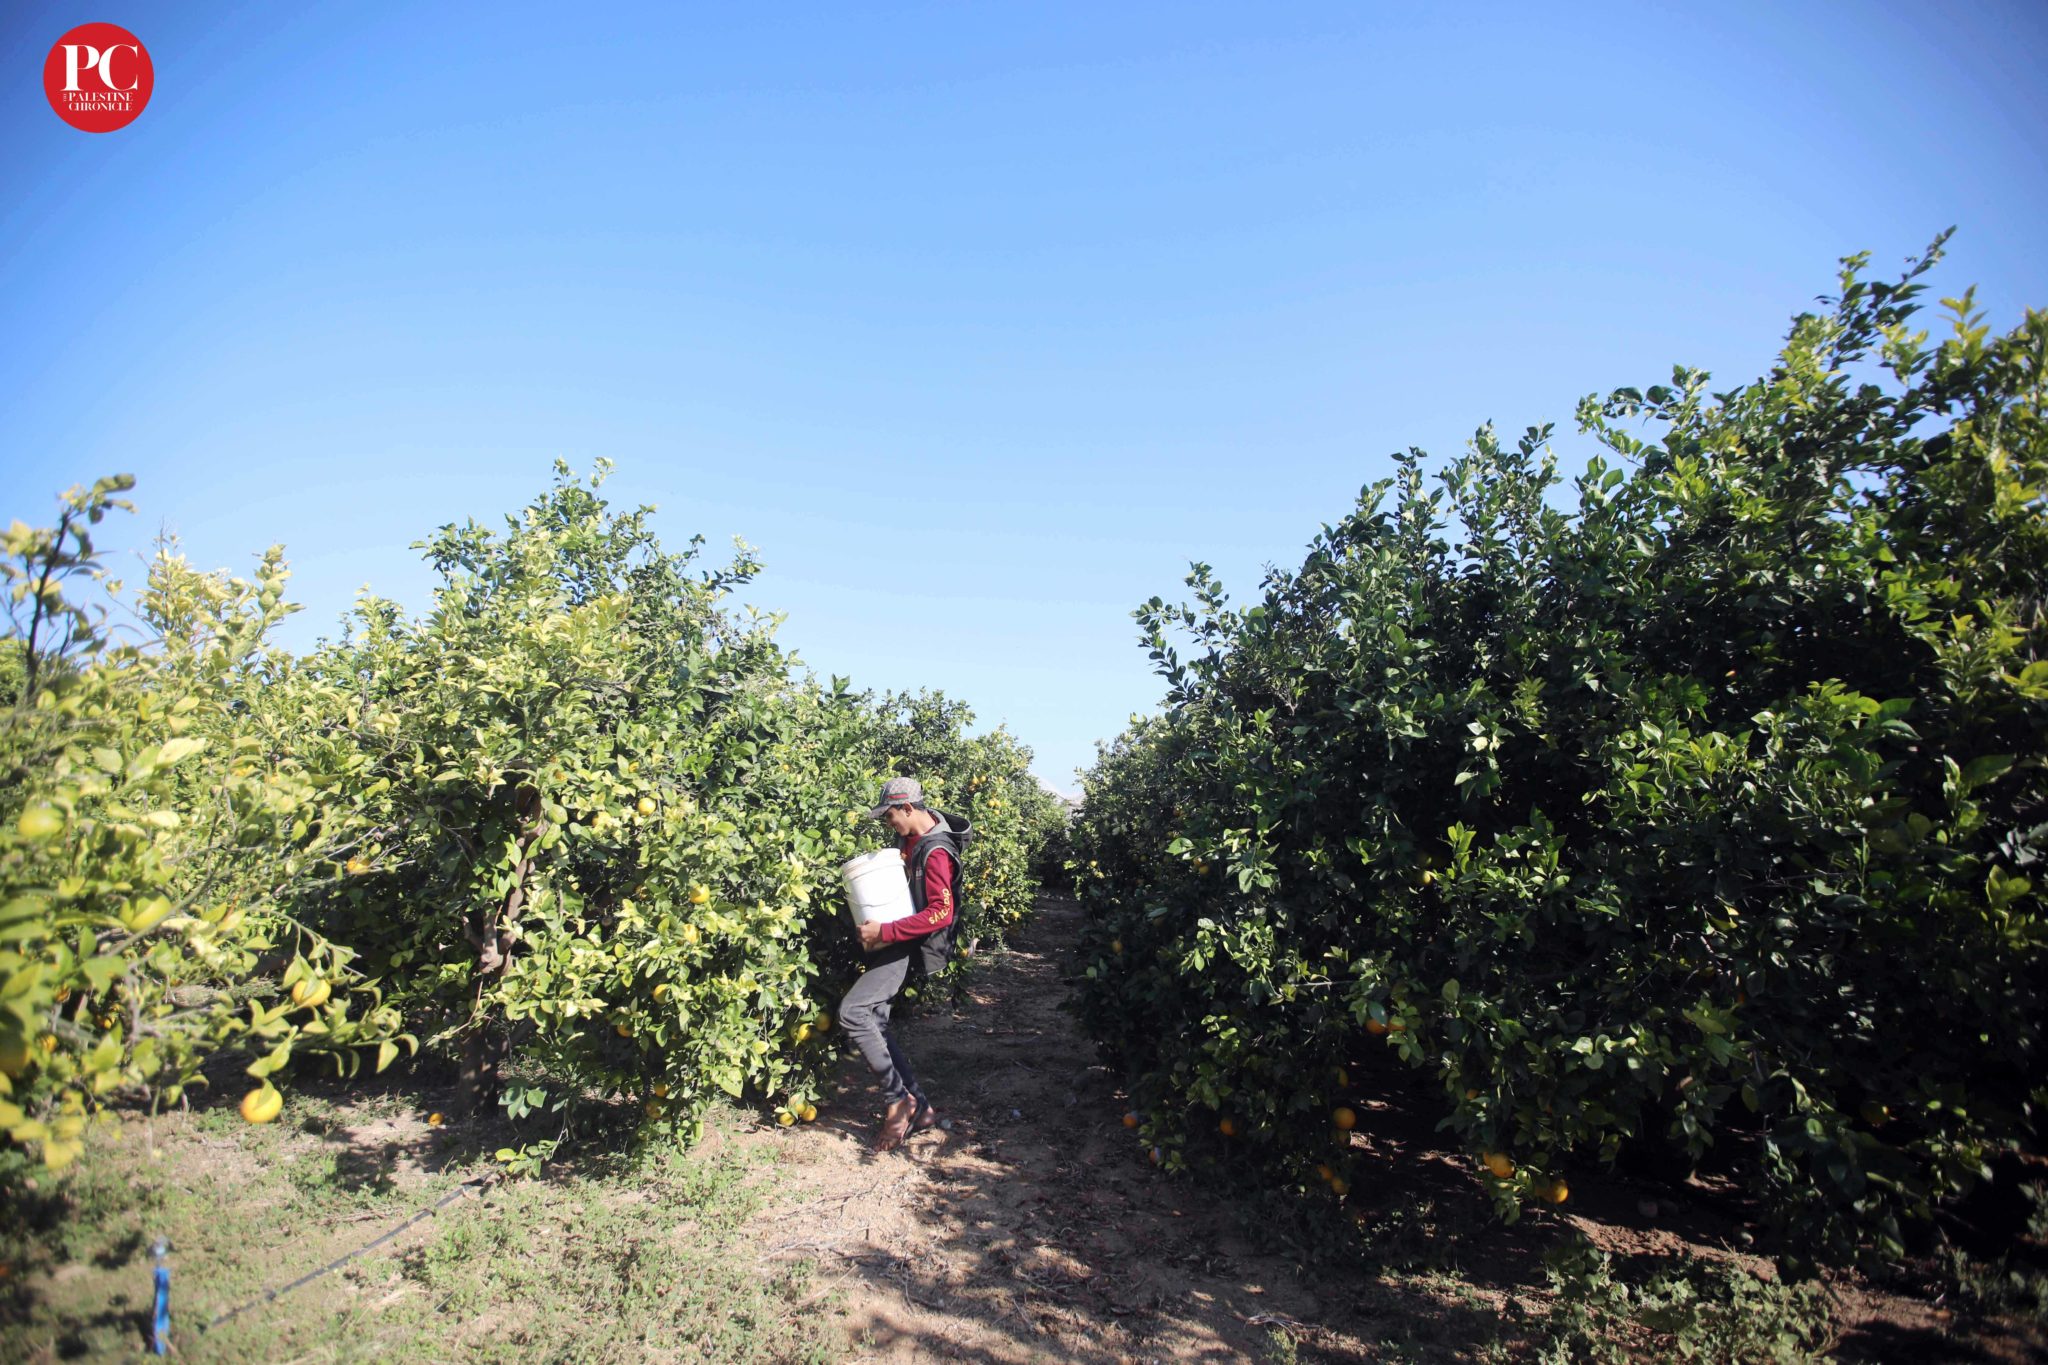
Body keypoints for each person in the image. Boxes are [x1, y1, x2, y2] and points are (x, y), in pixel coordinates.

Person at [839, 777, 972, 1151]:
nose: (888, 824)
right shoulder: (910, 840)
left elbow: (941, 914)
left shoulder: (937, 852)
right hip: (895, 936)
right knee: (876, 1018)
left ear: (909, 809)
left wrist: (886, 932)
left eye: (891, 816)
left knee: (853, 1012)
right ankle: (922, 1108)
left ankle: (898, 1101)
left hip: (904, 942)